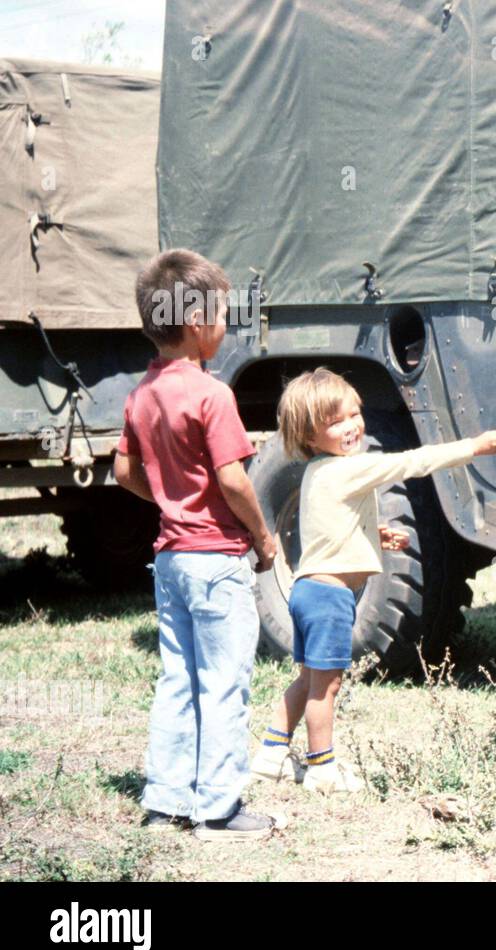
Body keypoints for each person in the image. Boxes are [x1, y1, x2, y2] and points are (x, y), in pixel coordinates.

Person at [252, 367, 496, 793]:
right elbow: (411, 462)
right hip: (329, 599)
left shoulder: (319, 472)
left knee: (307, 679)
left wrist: (375, 535)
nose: (352, 426)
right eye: (335, 422)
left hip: (309, 592)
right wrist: (474, 447)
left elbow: (327, 528)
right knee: (326, 687)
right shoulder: (347, 469)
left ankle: (270, 755)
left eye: (355, 414)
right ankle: (322, 770)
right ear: (309, 434)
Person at [114, 248, 281, 841]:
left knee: (177, 679)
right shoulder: (212, 395)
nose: (227, 325)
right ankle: (219, 809)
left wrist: (168, 500)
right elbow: (234, 480)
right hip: (216, 559)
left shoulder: (143, 393)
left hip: (171, 559)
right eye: (222, 315)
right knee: (224, 681)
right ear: (194, 324)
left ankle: (165, 800)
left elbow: (122, 470)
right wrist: (262, 536)